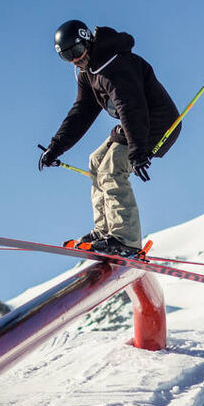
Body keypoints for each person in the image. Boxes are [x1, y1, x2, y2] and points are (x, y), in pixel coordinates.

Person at [39, 20, 180, 258]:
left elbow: (131, 106)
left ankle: (126, 240)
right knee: (96, 161)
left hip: (157, 124)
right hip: (133, 125)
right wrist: (55, 148)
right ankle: (105, 230)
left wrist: (137, 152)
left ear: (86, 41)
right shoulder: (88, 74)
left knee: (112, 168)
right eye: (66, 57)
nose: (74, 60)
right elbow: (81, 113)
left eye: (75, 51)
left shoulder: (115, 65)